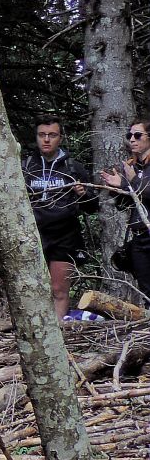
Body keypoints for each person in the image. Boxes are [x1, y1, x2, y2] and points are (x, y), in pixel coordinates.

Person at [23, 116, 95, 320]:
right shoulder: (26, 166)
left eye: (52, 135)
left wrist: (83, 194)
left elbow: (92, 207)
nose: (46, 140)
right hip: (33, 234)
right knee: (31, 289)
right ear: (36, 137)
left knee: (59, 289)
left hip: (64, 235)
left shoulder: (73, 168)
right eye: (42, 135)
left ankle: (58, 337)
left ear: (60, 138)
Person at [99, 119, 150, 299]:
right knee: (146, 290)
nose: (132, 140)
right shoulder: (132, 165)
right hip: (138, 236)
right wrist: (117, 189)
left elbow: (146, 192)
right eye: (130, 136)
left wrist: (131, 182)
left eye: (138, 135)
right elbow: (126, 204)